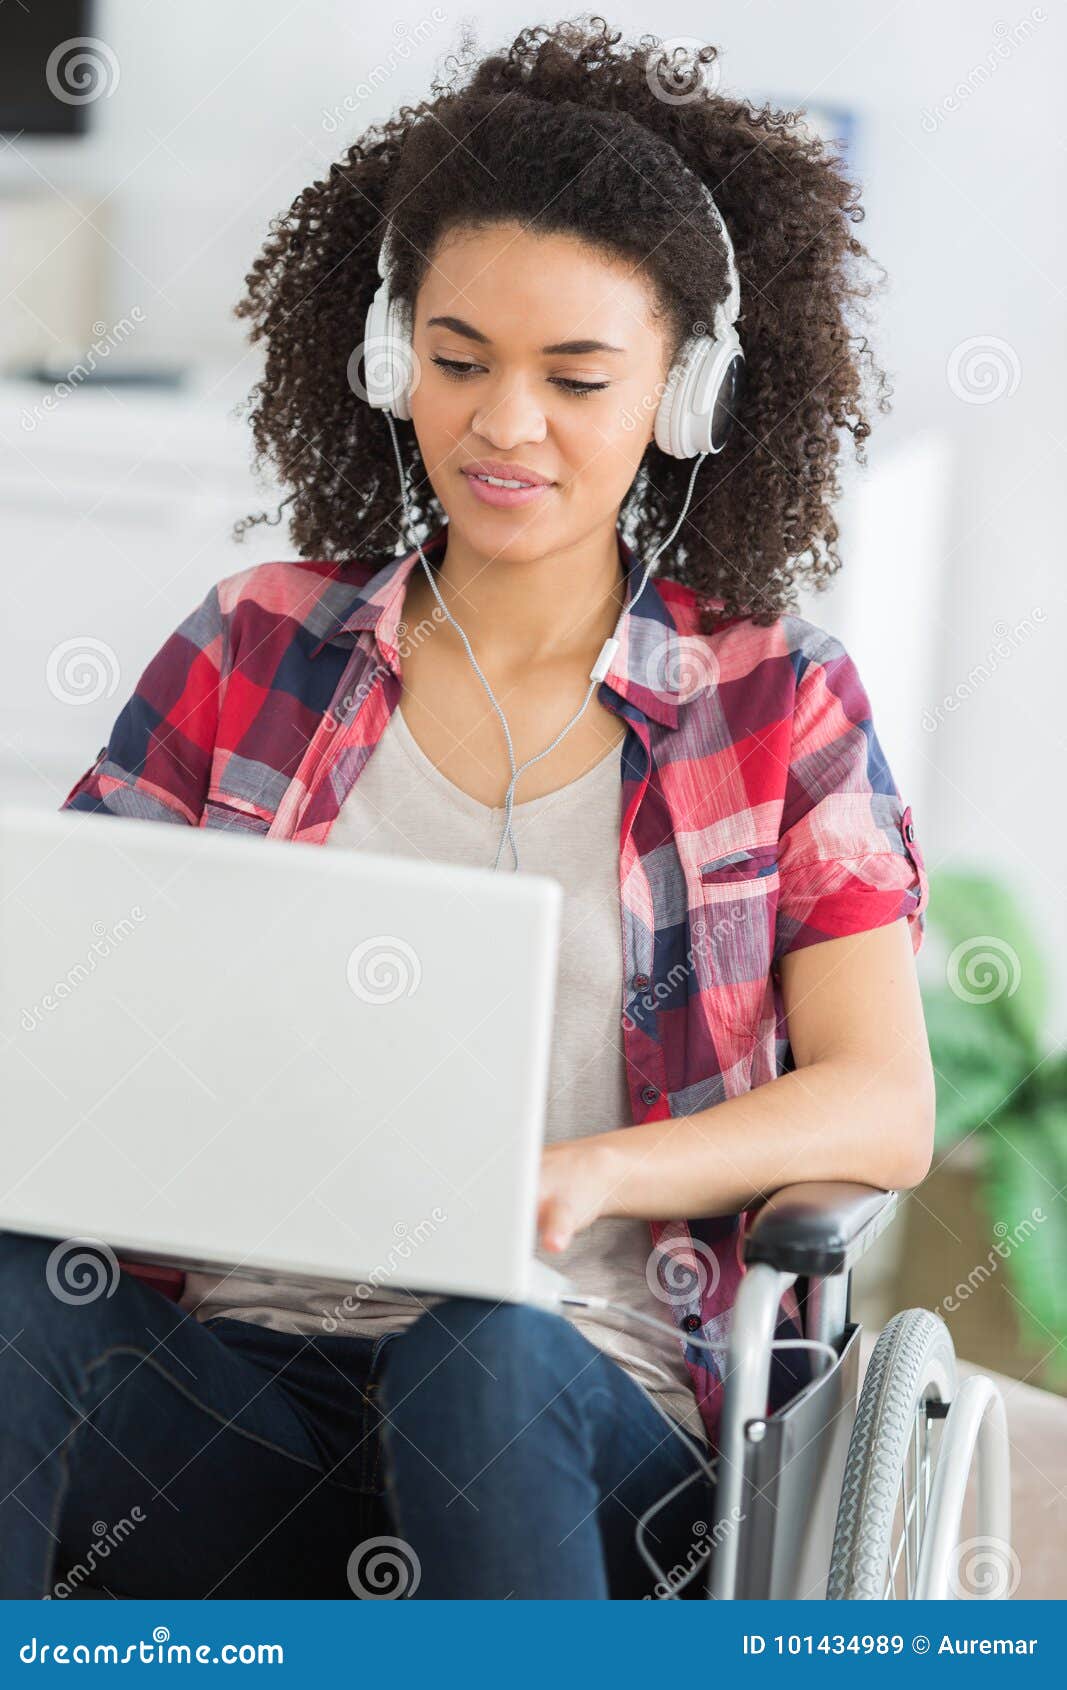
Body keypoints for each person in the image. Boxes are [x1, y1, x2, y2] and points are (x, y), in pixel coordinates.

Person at [0, 21, 934, 1600]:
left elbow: (882, 1107)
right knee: (22, 1291)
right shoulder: (255, 643)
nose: (505, 424)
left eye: (576, 378)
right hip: (247, 1385)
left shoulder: (773, 699)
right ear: (387, 356)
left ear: (685, 393)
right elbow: (73, 990)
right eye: (456, 359)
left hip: (573, 1397)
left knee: (470, 1351)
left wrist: (595, 1171)